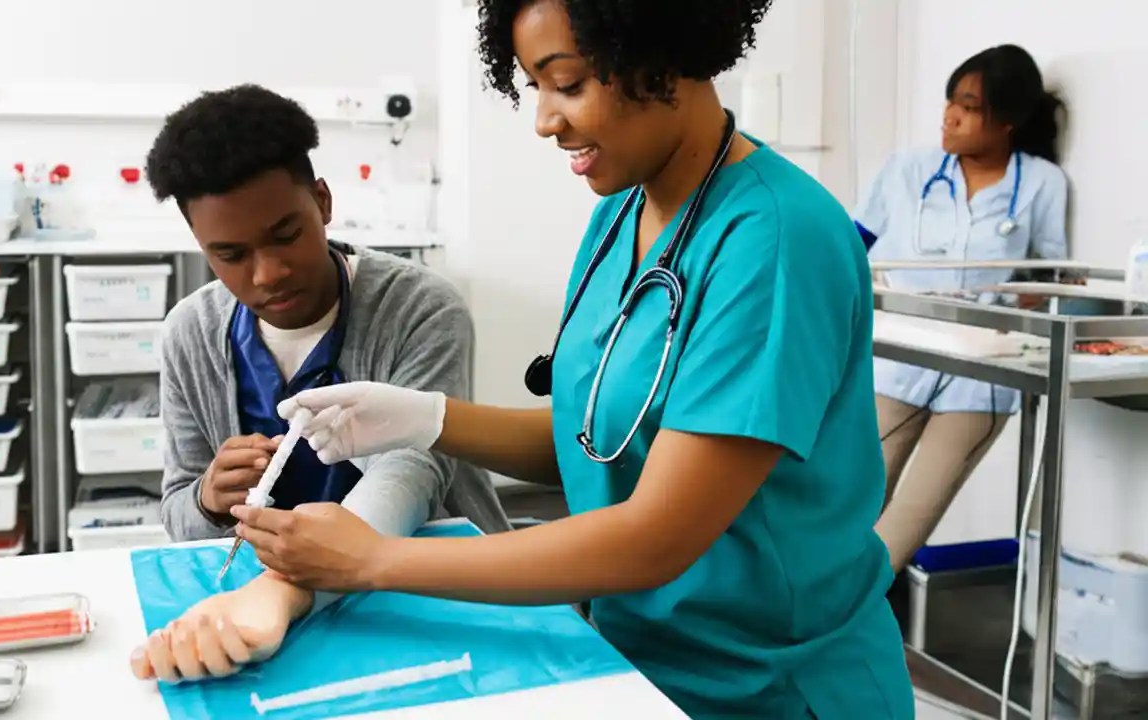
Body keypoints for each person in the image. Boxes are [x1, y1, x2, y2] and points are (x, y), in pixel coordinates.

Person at [169, 1, 915, 716]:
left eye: (569, 84)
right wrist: (425, 418)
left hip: (772, 683)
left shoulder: (776, 239)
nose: (544, 120)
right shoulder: (620, 214)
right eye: (535, 87)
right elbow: (595, 442)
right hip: (641, 657)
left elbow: (655, 536)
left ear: (662, 51)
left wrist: (371, 561)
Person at [128, 84, 509, 682]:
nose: (268, 273)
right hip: (269, 601)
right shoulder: (190, 334)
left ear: (323, 202)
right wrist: (209, 496)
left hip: (421, 585)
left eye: (286, 234)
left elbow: (413, 473)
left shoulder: (419, 309)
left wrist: (282, 592)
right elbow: (179, 511)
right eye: (230, 254)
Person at [855, 44, 1068, 573]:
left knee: (908, 520)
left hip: (982, 377)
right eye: (951, 101)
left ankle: (840, 621)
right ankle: (809, 622)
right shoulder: (909, 169)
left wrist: (1029, 293)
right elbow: (852, 242)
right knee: (852, 503)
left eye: (969, 106)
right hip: (899, 359)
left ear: (1008, 121)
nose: (949, 116)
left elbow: (1051, 269)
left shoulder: (1041, 183)